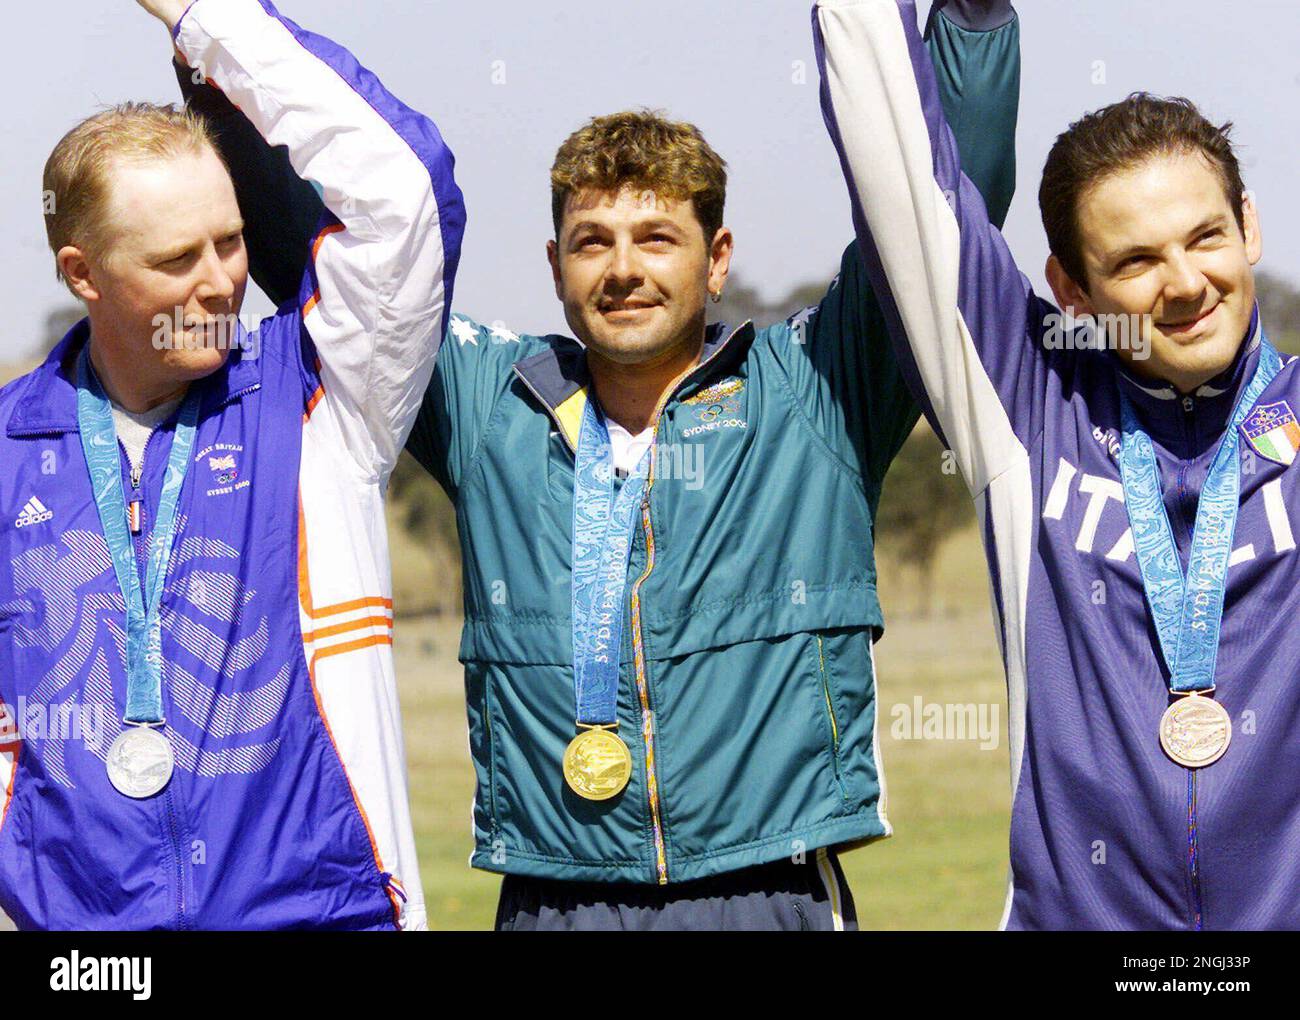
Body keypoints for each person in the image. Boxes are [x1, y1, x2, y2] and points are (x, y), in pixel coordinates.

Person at [182, 2, 1018, 930]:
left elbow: (943, 209)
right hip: (553, 896)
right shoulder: (484, 402)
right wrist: (215, 65)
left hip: (766, 890)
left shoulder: (817, 388)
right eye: (593, 242)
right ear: (555, 264)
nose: (623, 269)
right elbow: (324, 265)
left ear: (717, 259)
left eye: (657, 238)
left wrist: (974, 23)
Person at [816, 0, 1298, 928]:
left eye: (1205, 237)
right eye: (1137, 261)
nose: (1187, 284)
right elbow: (907, 182)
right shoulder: (1026, 404)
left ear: (1249, 226)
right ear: (1072, 290)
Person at [0, 0, 464, 929]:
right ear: (82, 273)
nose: (219, 281)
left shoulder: (322, 396)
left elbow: (403, 192)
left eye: (231, 240)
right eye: (176, 259)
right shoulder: (9, 448)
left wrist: (202, 16)